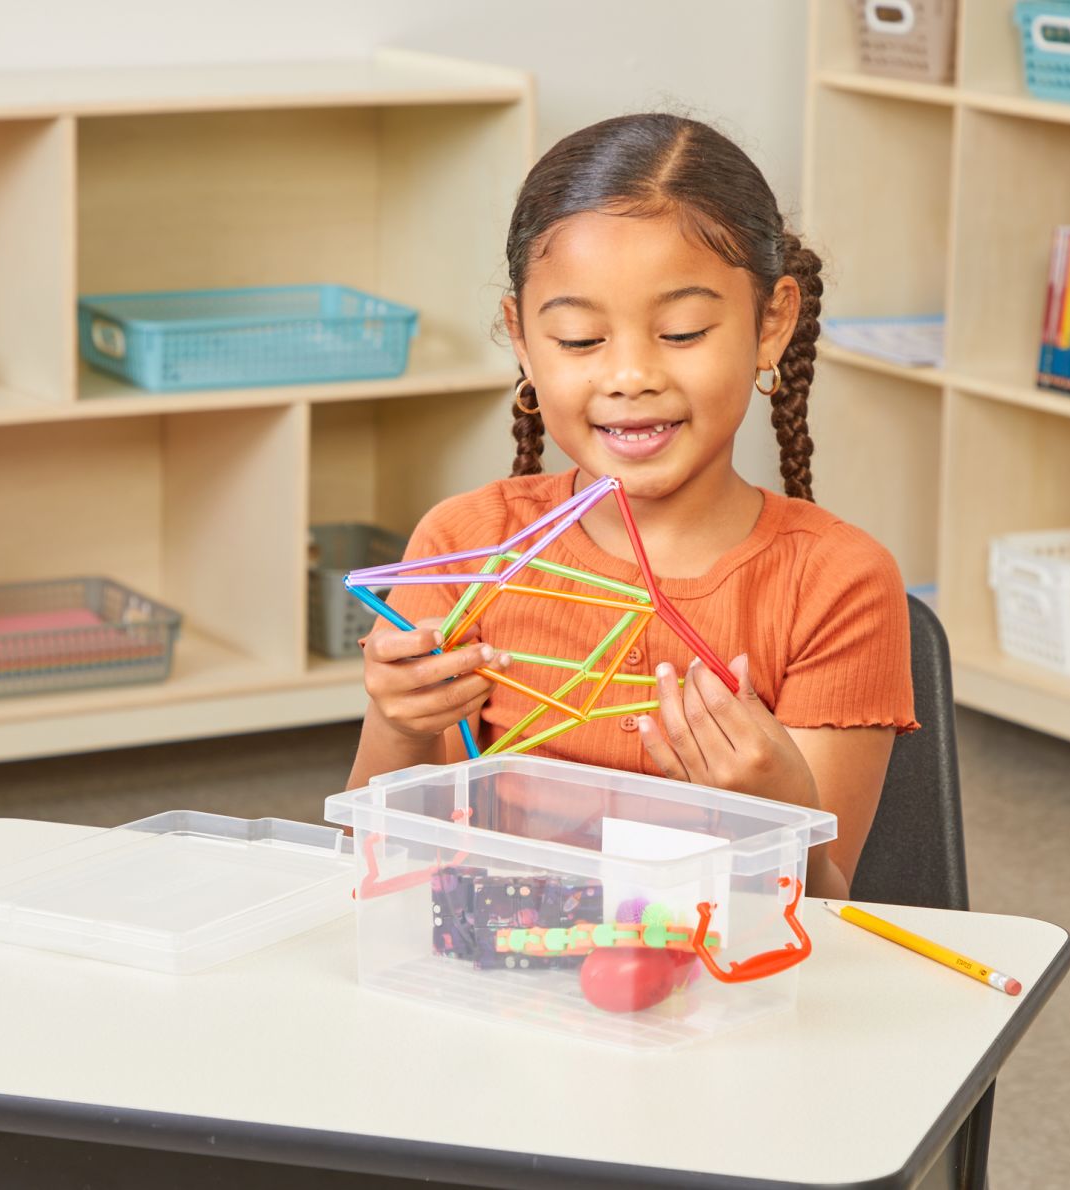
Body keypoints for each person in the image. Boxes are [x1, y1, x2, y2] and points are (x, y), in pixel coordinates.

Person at [346, 113, 917, 899]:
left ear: (771, 323)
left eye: (682, 332)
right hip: (489, 958)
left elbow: (819, 913)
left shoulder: (837, 580)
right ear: (522, 339)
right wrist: (398, 726)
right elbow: (375, 868)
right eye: (581, 339)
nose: (630, 377)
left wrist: (782, 817)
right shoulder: (465, 543)